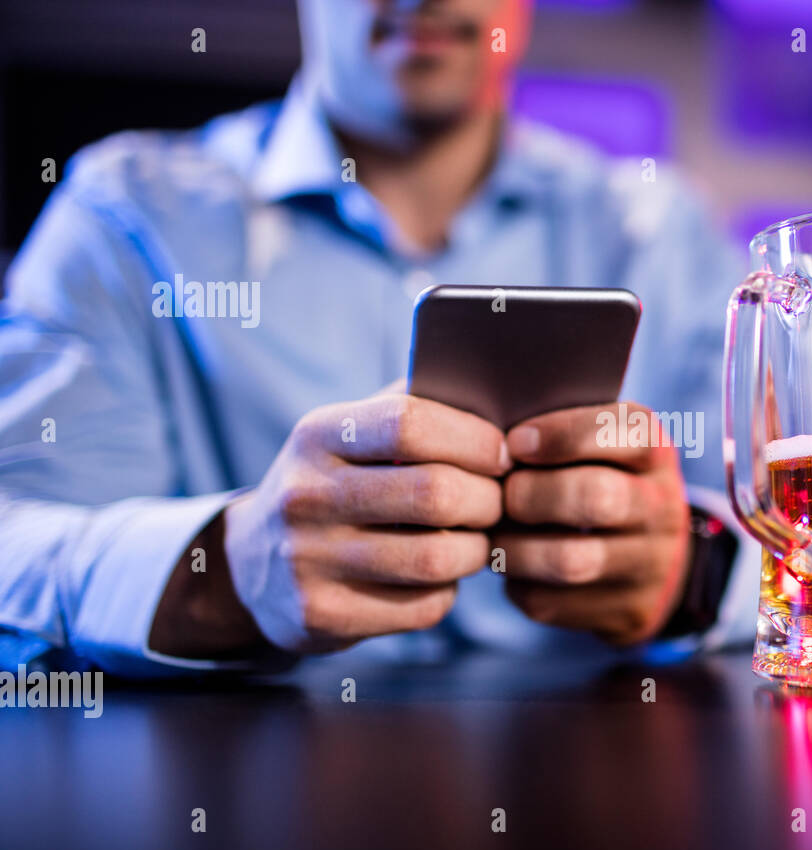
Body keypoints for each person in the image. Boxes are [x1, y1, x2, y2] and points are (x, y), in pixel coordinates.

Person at [0, 0, 758, 678]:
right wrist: (226, 570)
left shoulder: (666, 236)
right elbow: (13, 548)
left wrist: (695, 575)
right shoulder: (125, 221)